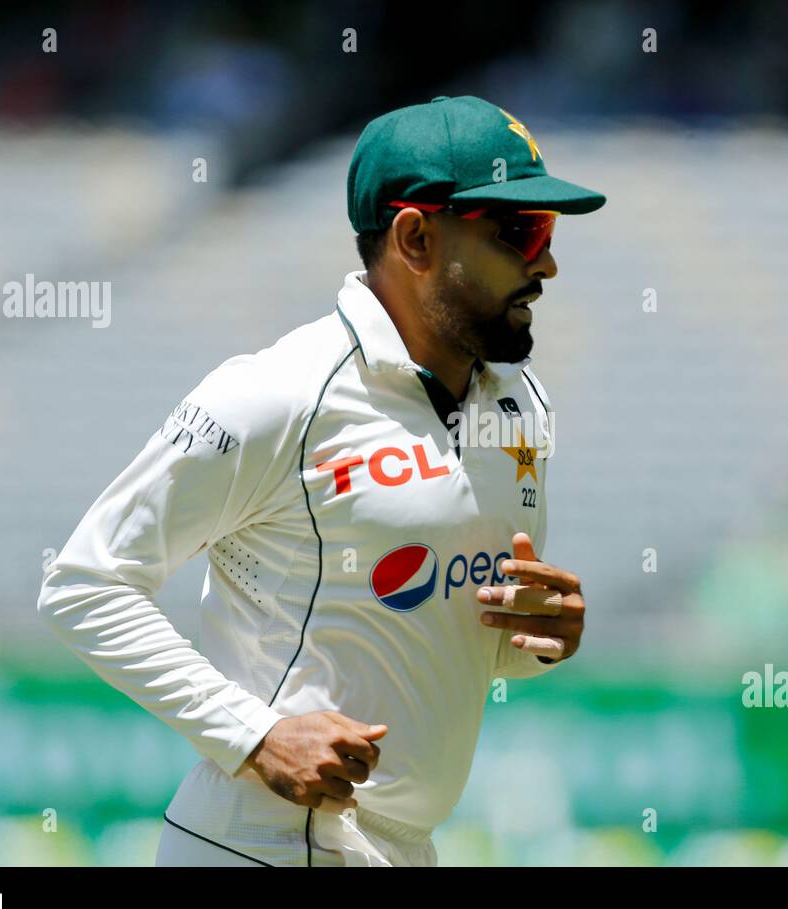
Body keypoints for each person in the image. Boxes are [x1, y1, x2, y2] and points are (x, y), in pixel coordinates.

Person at [37, 94, 605, 866]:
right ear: (415, 237)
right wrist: (255, 735)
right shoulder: (279, 392)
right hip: (260, 843)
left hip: (402, 850)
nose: (547, 262)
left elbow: (445, 633)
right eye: (520, 231)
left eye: (547, 231)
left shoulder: (520, 401)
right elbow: (84, 584)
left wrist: (537, 637)